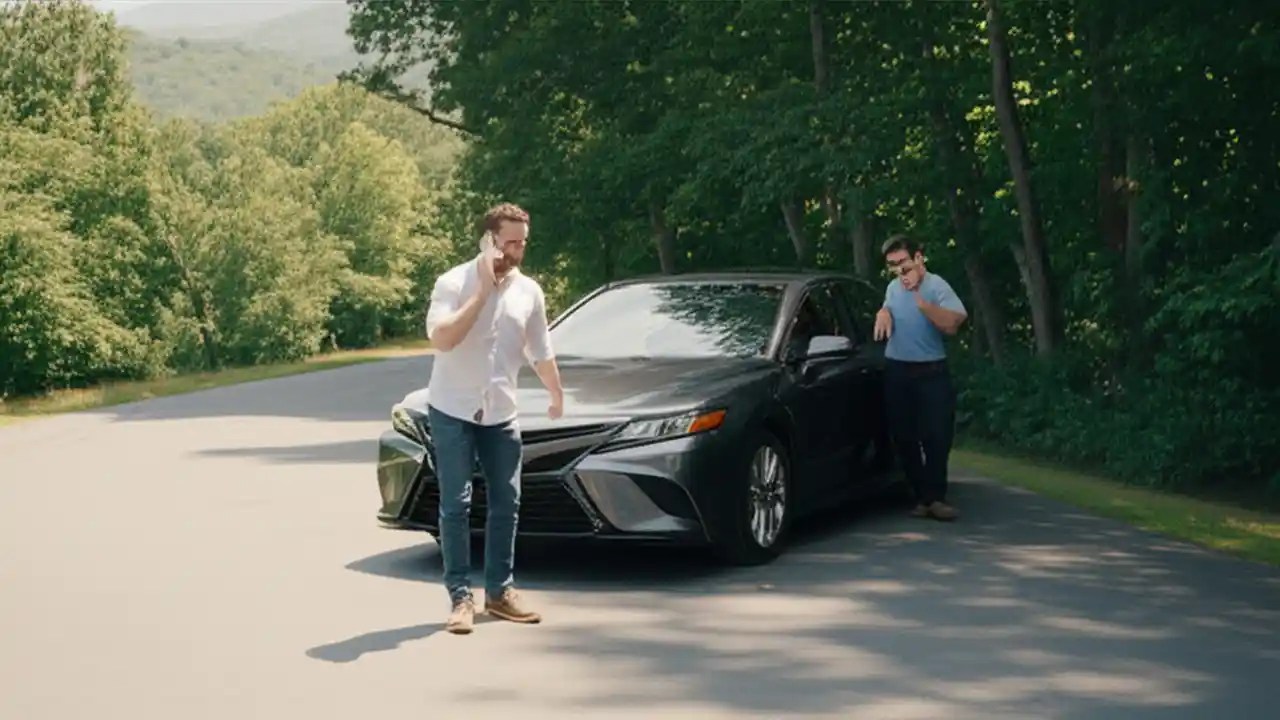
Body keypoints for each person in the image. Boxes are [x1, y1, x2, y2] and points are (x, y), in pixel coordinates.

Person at [423, 202, 565, 634]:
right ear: (488, 240)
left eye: (523, 243)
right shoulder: (453, 282)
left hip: (501, 413)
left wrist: (556, 392)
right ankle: (460, 598)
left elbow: (540, 349)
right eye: (509, 243)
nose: (517, 251)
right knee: (456, 505)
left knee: (507, 502)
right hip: (452, 409)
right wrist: (482, 293)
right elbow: (442, 339)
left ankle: (500, 593)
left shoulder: (530, 292)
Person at [873, 235, 968, 521]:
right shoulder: (892, 287)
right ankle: (923, 497)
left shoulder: (936, 286)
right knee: (903, 437)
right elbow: (889, 307)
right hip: (898, 370)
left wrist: (920, 300)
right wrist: (883, 312)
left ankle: (935, 497)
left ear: (918, 258)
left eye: (902, 263)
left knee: (937, 435)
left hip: (931, 371)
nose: (899, 270)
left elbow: (954, 323)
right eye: (892, 265)